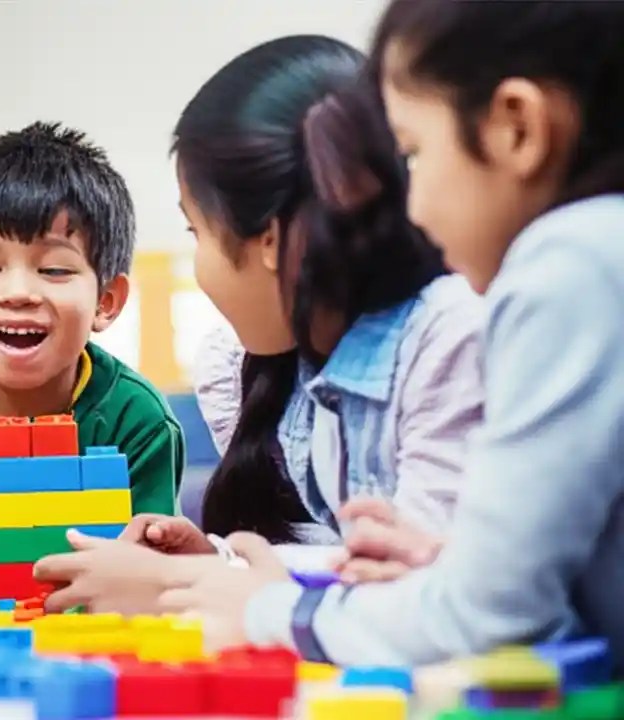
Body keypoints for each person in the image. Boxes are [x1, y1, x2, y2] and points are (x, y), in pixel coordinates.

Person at [140, 0, 624, 669]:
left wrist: (266, 610)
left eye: (413, 156)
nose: (411, 209)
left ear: (517, 128)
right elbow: (536, 592)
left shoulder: (569, 265)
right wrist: (447, 568)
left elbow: (488, 618)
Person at [37, 36, 485, 605]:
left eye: (196, 232)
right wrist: (217, 559)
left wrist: (187, 584)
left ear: (269, 239)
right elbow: (335, 556)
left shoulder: (449, 340)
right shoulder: (251, 369)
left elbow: (420, 581)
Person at [0, 121, 183, 515]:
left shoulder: (135, 418)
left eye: (55, 270)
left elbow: (147, 562)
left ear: (106, 301)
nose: (18, 293)